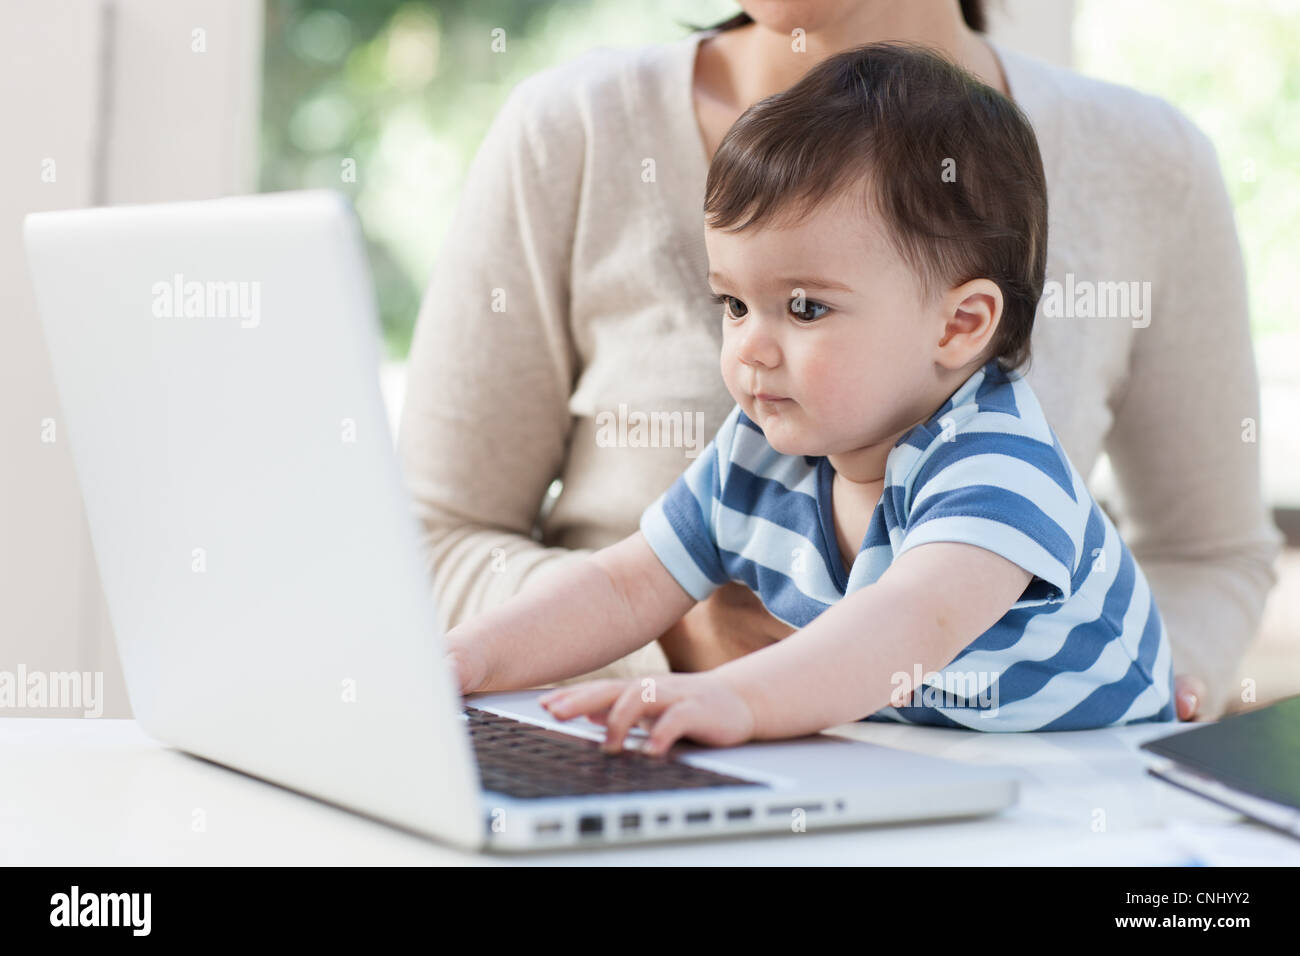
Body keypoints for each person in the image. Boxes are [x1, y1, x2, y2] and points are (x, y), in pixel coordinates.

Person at [396, 0, 1283, 724]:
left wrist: (730, 699)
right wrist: (461, 659)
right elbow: (627, 584)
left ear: (960, 325)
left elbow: (897, 630)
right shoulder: (769, 442)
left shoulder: (1001, 467)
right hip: (877, 768)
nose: (747, 347)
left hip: (1058, 789)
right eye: (732, 305)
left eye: (806, 308)